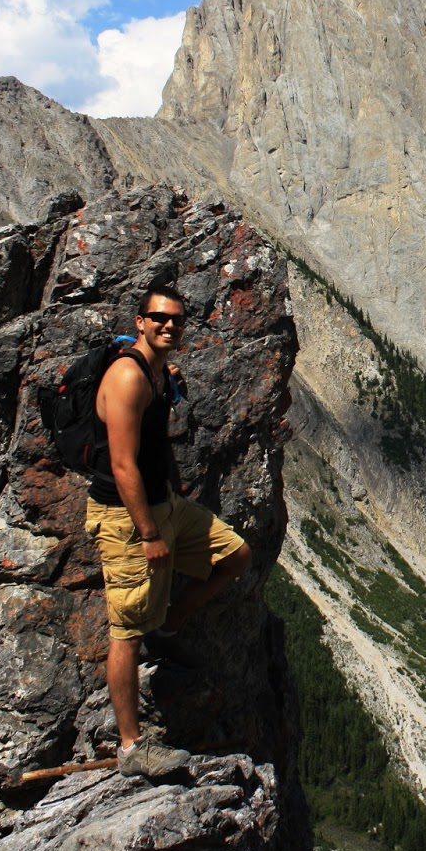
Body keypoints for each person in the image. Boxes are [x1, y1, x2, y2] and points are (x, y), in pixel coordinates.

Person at [86, 284, 254, 778]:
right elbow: (120, 464)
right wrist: (148, 533)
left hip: (167, 505)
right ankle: (131, 747)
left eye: (177, 320)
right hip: (128, 517)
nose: (169, 326)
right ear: (140, 321)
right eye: (159, 318)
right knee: (126, 631)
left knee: (237, 556)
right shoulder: (127, 378)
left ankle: (171, 621)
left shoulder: (156, 373)